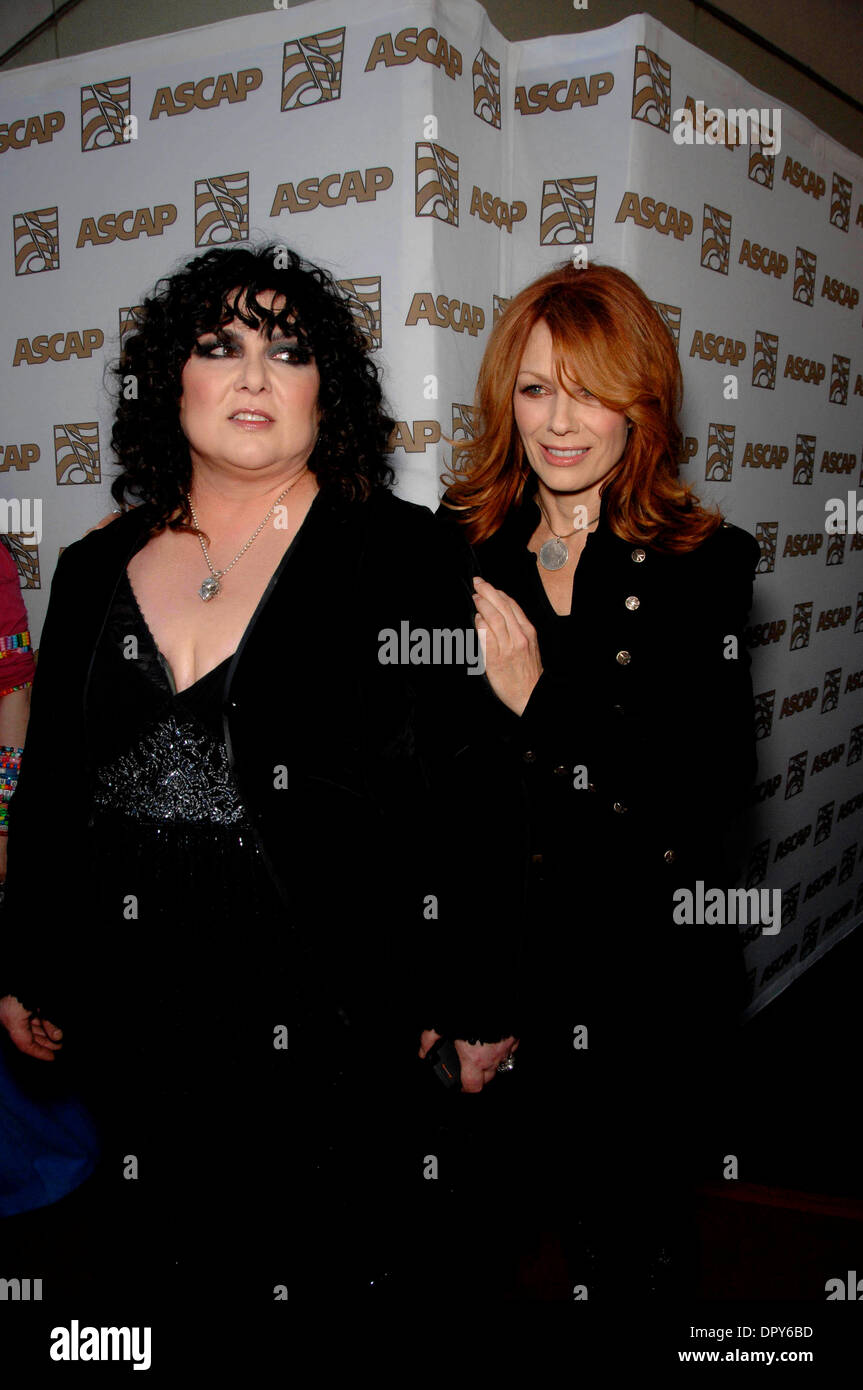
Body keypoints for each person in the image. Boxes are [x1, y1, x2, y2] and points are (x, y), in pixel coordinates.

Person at [0, 243, 522, 1317]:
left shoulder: (398, 553)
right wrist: (30, 962)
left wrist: (473, 998)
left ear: (322, 390)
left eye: (286, 352)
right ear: (171, 380)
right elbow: (54, 784)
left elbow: (463, 792)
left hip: (329, 997)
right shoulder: (97, 565)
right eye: (218, 346)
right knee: (171, 1271)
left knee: (341, 1279)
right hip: (135, 996)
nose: (250, 374)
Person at [437, 260, 759, 1298]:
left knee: (630, 1258)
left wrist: (541, 696)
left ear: (642, 402)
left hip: (639, 990)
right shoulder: (457, 553)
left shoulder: (702, 565)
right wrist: (462, 996)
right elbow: (442, 806)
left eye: (589, 389)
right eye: (535, 388)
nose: (558, 421)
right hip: (499, 973)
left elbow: (702, 798)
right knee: (464, 1255)